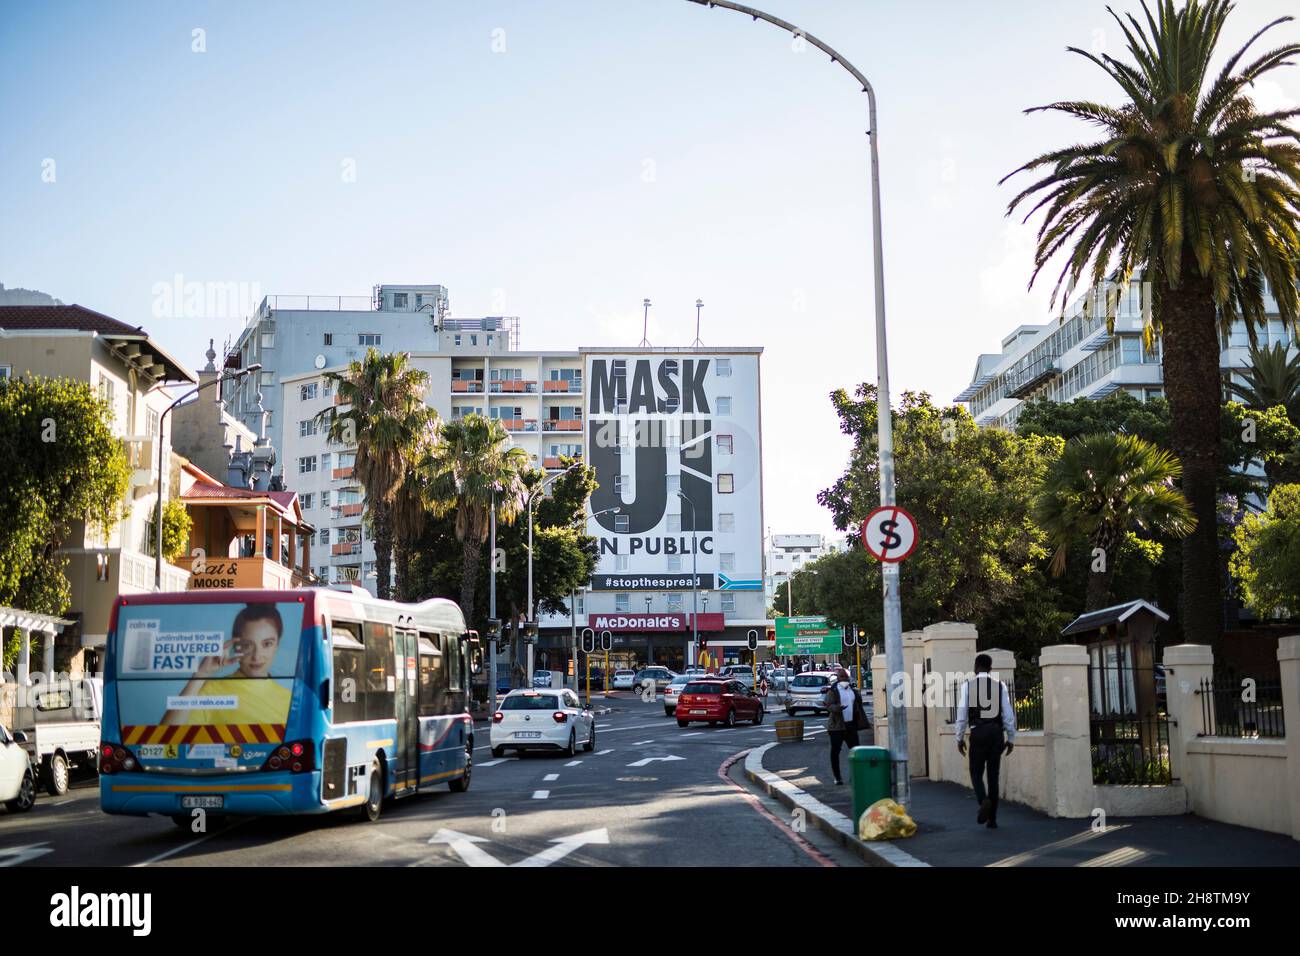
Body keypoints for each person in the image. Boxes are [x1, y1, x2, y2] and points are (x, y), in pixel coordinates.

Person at [161, 603, 292, 726]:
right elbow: (166, 737)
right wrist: (200, 675)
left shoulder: (289, 698)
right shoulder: (212, 689)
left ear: (277, 644)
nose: (257, 656)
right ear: (236, 646)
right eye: (247, 645)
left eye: (267, 644)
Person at [954, 653, 1017, 829]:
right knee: (993, 777)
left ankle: (983, 801)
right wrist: (1010, 738)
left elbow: (961, 715)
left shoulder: (968, 686)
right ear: (990, 668)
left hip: (978, 733)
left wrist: (959, 738)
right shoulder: (1000, 686)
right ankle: (992, 819)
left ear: (975, 667)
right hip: (996, 734)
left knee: (975, 773)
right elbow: (1008, 715)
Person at [823, 667, 868, 786]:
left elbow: (858, 706)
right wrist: (837, 708)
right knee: (835, 752)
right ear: (838, 678)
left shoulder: (853, 691)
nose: (844, 679)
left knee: (856, 752)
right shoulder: (833, 691)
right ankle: (837, 777)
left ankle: (856, 776)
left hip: (850, 726)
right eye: (842, 677)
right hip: (837, 727)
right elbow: (828, 705)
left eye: (846, 677)